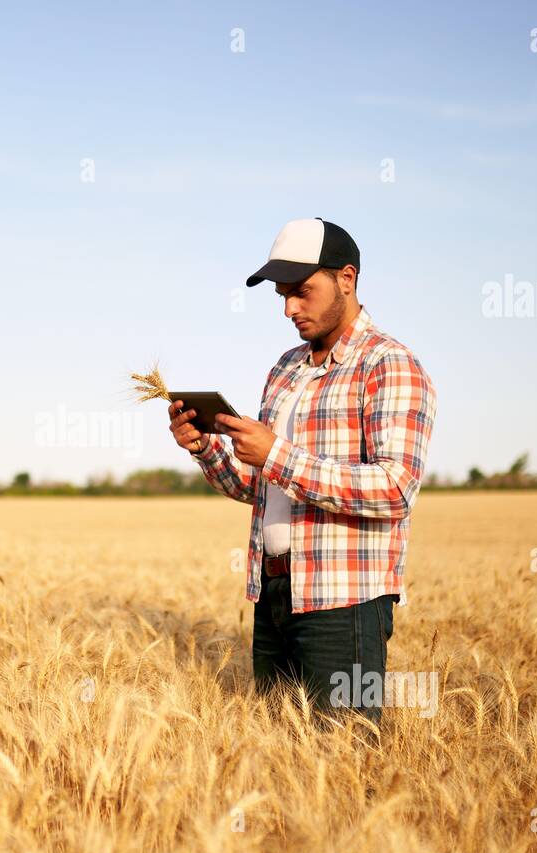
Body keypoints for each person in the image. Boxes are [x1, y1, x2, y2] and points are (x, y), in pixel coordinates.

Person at [169, 218, 436, 731]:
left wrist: (277, 454)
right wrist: (207, 449)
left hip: (344, 601)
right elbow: (262, 488)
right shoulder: (285, 369)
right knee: (278, 759)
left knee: (342, 759)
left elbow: (396, 489)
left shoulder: (389, 365)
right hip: (273, 594)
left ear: (347, 279)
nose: (289, 308)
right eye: (282, 295)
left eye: (301, 292)